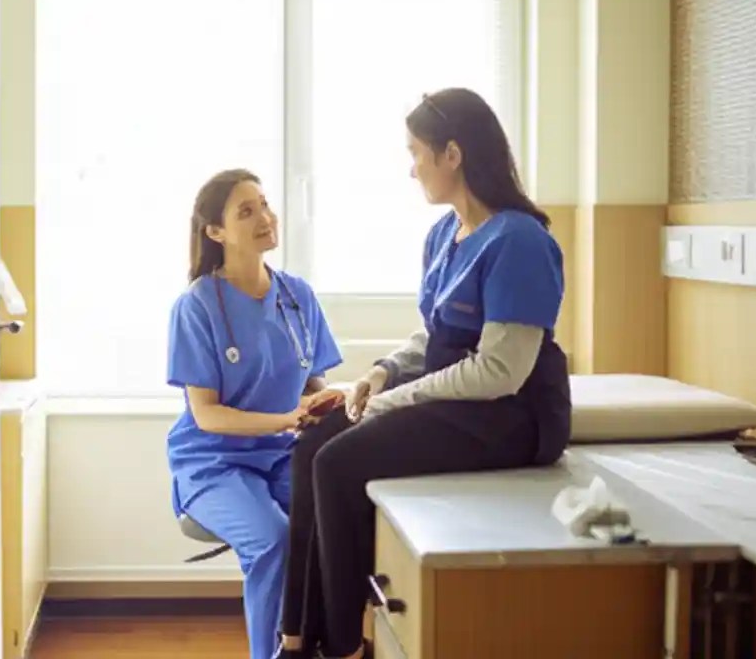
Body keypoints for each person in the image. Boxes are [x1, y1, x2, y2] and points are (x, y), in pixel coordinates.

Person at [286, 88, 572, 659]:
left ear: (453, 154)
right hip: (457, 403)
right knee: (310, 446)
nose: (410, 165)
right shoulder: (445, 236)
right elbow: (435, 336)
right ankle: (295, 639)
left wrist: (397, 403)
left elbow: (499, 371)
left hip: (512, 417)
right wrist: (380, 375)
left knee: (338, 461)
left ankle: (343, 645)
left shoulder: (519, 241)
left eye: (416, 151)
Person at [166, 169, 344, 659]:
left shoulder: (297, 296)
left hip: (282, 455)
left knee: (336, 522)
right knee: (273, 541)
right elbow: (206, 416)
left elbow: (313, 380)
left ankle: (324, 644)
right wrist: (287, 419)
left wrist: (325, 403)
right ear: (215, 233)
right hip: (212, 463)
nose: (265, 217)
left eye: (264, 204)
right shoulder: (197, 306)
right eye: (246, 211)